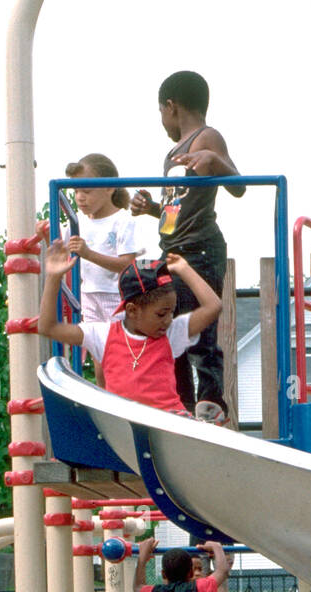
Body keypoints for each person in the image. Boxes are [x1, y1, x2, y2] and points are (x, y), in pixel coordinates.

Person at [130, 70, 243, 424]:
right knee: (172, 326)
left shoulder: (205, 137)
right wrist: (150, 208)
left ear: (171, 106)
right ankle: (181, 399)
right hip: (175, 248)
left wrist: (214, 161)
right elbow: (176, 209)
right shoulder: (172, 155)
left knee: (199, 327)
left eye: (160, 112)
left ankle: (211, 400)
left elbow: (237, 184)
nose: (161, 120)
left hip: (200, 249)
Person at [38, 244, 221, 414]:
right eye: (161, 314)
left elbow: (213, 306)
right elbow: (48, 328)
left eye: (172, 312)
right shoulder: (103, 335)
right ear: (132, 310)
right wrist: (54, 277)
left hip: (167, 421)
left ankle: (202, 421)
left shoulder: (171, 334)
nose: (168, 320)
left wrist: (184, 269)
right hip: (126, 423)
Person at [40, 153, 139, 386]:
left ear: (109, 189)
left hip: (118, 296)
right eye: (76, 192)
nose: (80, 198)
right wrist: (45, 237)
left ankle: (121, 401)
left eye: (87, 191)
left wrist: (88, 254)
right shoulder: (78, 222)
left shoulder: (122, 221)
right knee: (99, 359)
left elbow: (127, 264)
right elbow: (61, 254)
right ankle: (106, 404)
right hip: (89, 295)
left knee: (119, 355)